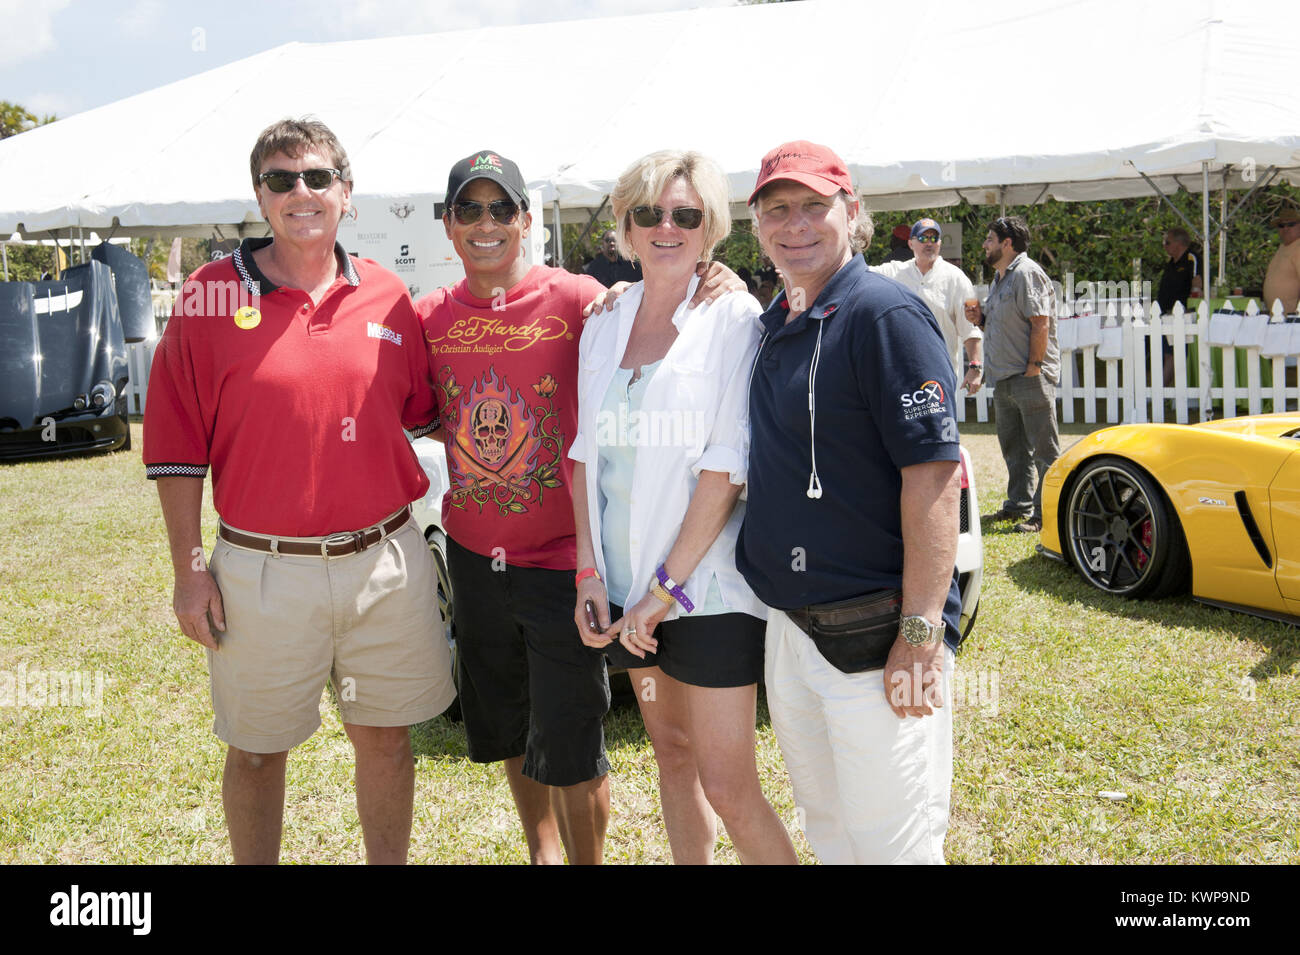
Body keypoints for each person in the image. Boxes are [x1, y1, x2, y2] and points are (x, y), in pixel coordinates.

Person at [415, 149, 742, 865]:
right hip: (473, 555)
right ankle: (540, 848)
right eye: (468, 209)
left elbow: (663, 294)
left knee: (572, 737)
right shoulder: (428, 315)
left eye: (501, 208)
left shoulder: (579, 299)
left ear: (527, 221)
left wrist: (715, 271)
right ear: (447, 224)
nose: (486, 223)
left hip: (565, 561)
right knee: (507, 726)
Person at [143, 118, 456, 864]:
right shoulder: (208, 297)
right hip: (262, 570)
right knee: (255, 752)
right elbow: (175, 450)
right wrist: (189, 571)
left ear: (346, 193)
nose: (301, 192)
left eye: (317, 177)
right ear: (261, 196)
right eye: (281, 180)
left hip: (385, 561)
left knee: (384, 742)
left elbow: (427, 412)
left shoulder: (386, 295)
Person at [736, 140, 962, 865]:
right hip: (792, 629)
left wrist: (921, 633)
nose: (794, 224)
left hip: (873, 637)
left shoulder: (884, 314)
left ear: (853, 212)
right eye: (777, 210)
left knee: (893, 846)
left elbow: (933, 476)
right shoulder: (778, 318)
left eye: (813, 206)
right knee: (829, 829)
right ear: (758, 227)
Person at [570, 150, 797, 865]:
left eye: (686, 214)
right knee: (669, 753)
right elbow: (583, 455)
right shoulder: (605, 318)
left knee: (729, 785)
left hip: (706, 590)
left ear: (710, 229)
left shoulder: (734, 316)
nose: (667, 226)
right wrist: (589, 574)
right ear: (626, 228)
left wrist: (666, 589)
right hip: (628, 588)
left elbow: (725, 468)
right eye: (650, 213)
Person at [981, 214, 1060, 534]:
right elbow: (1006, 325)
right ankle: (1018, 505)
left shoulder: (1027, 273)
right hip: (1004, 377)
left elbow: (1040, 322)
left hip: (1028, 376)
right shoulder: (1001, 277)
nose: (985, 245)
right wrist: (980, 319)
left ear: (1007, 243)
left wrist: (1035, 367)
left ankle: (1046, 513)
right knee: (1014, 448)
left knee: (1045, 451)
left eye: (989, 239)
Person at [874, 217, 984, 393]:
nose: (929, 244)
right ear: (910, 243)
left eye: (934, 238)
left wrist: (975, 367)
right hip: (901, 375)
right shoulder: (895, 271)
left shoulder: (956, 278)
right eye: (923, 238)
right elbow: (860, 274)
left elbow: (970, 329)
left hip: (939, 375)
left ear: (940, 243)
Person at [1154, 227, 1202, 384]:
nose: (1164, 245)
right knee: (1168, 353)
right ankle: (1164, 388)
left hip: (1182, 314)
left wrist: (1194, 293)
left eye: (1167, 242)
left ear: (1178, 243)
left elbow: (1197, 282)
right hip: (1165, 312)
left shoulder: (1191, 258)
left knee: (1174, 352)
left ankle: (1159, 389)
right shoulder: (1171, 262)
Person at [1263, 205, 1300, 315]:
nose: (1285, 228)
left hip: (1293, 319)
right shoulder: (1283, 247)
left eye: (1291, 224)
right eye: (1281, 225)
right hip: (1278, 317)